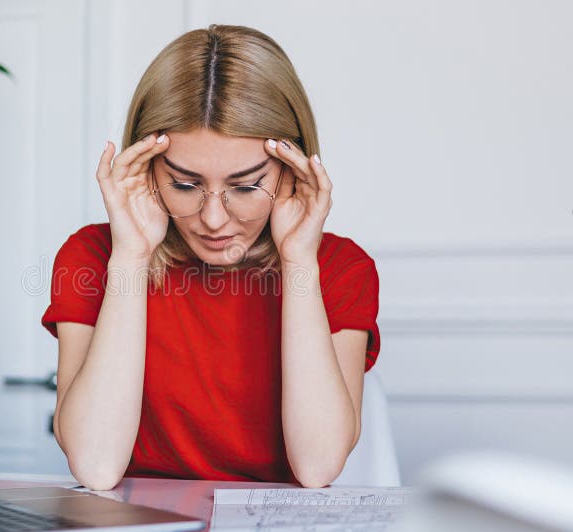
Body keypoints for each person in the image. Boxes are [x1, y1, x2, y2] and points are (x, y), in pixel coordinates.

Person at [41, 24, 380, 491]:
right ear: (146, 168)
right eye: (184, 184)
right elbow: (96, 465)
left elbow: (318, 465)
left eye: (245, 186)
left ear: (291, 167)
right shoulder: (93, 257)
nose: (214, 218)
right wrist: (132, 255)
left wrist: (299, 260)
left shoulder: (341, 269)